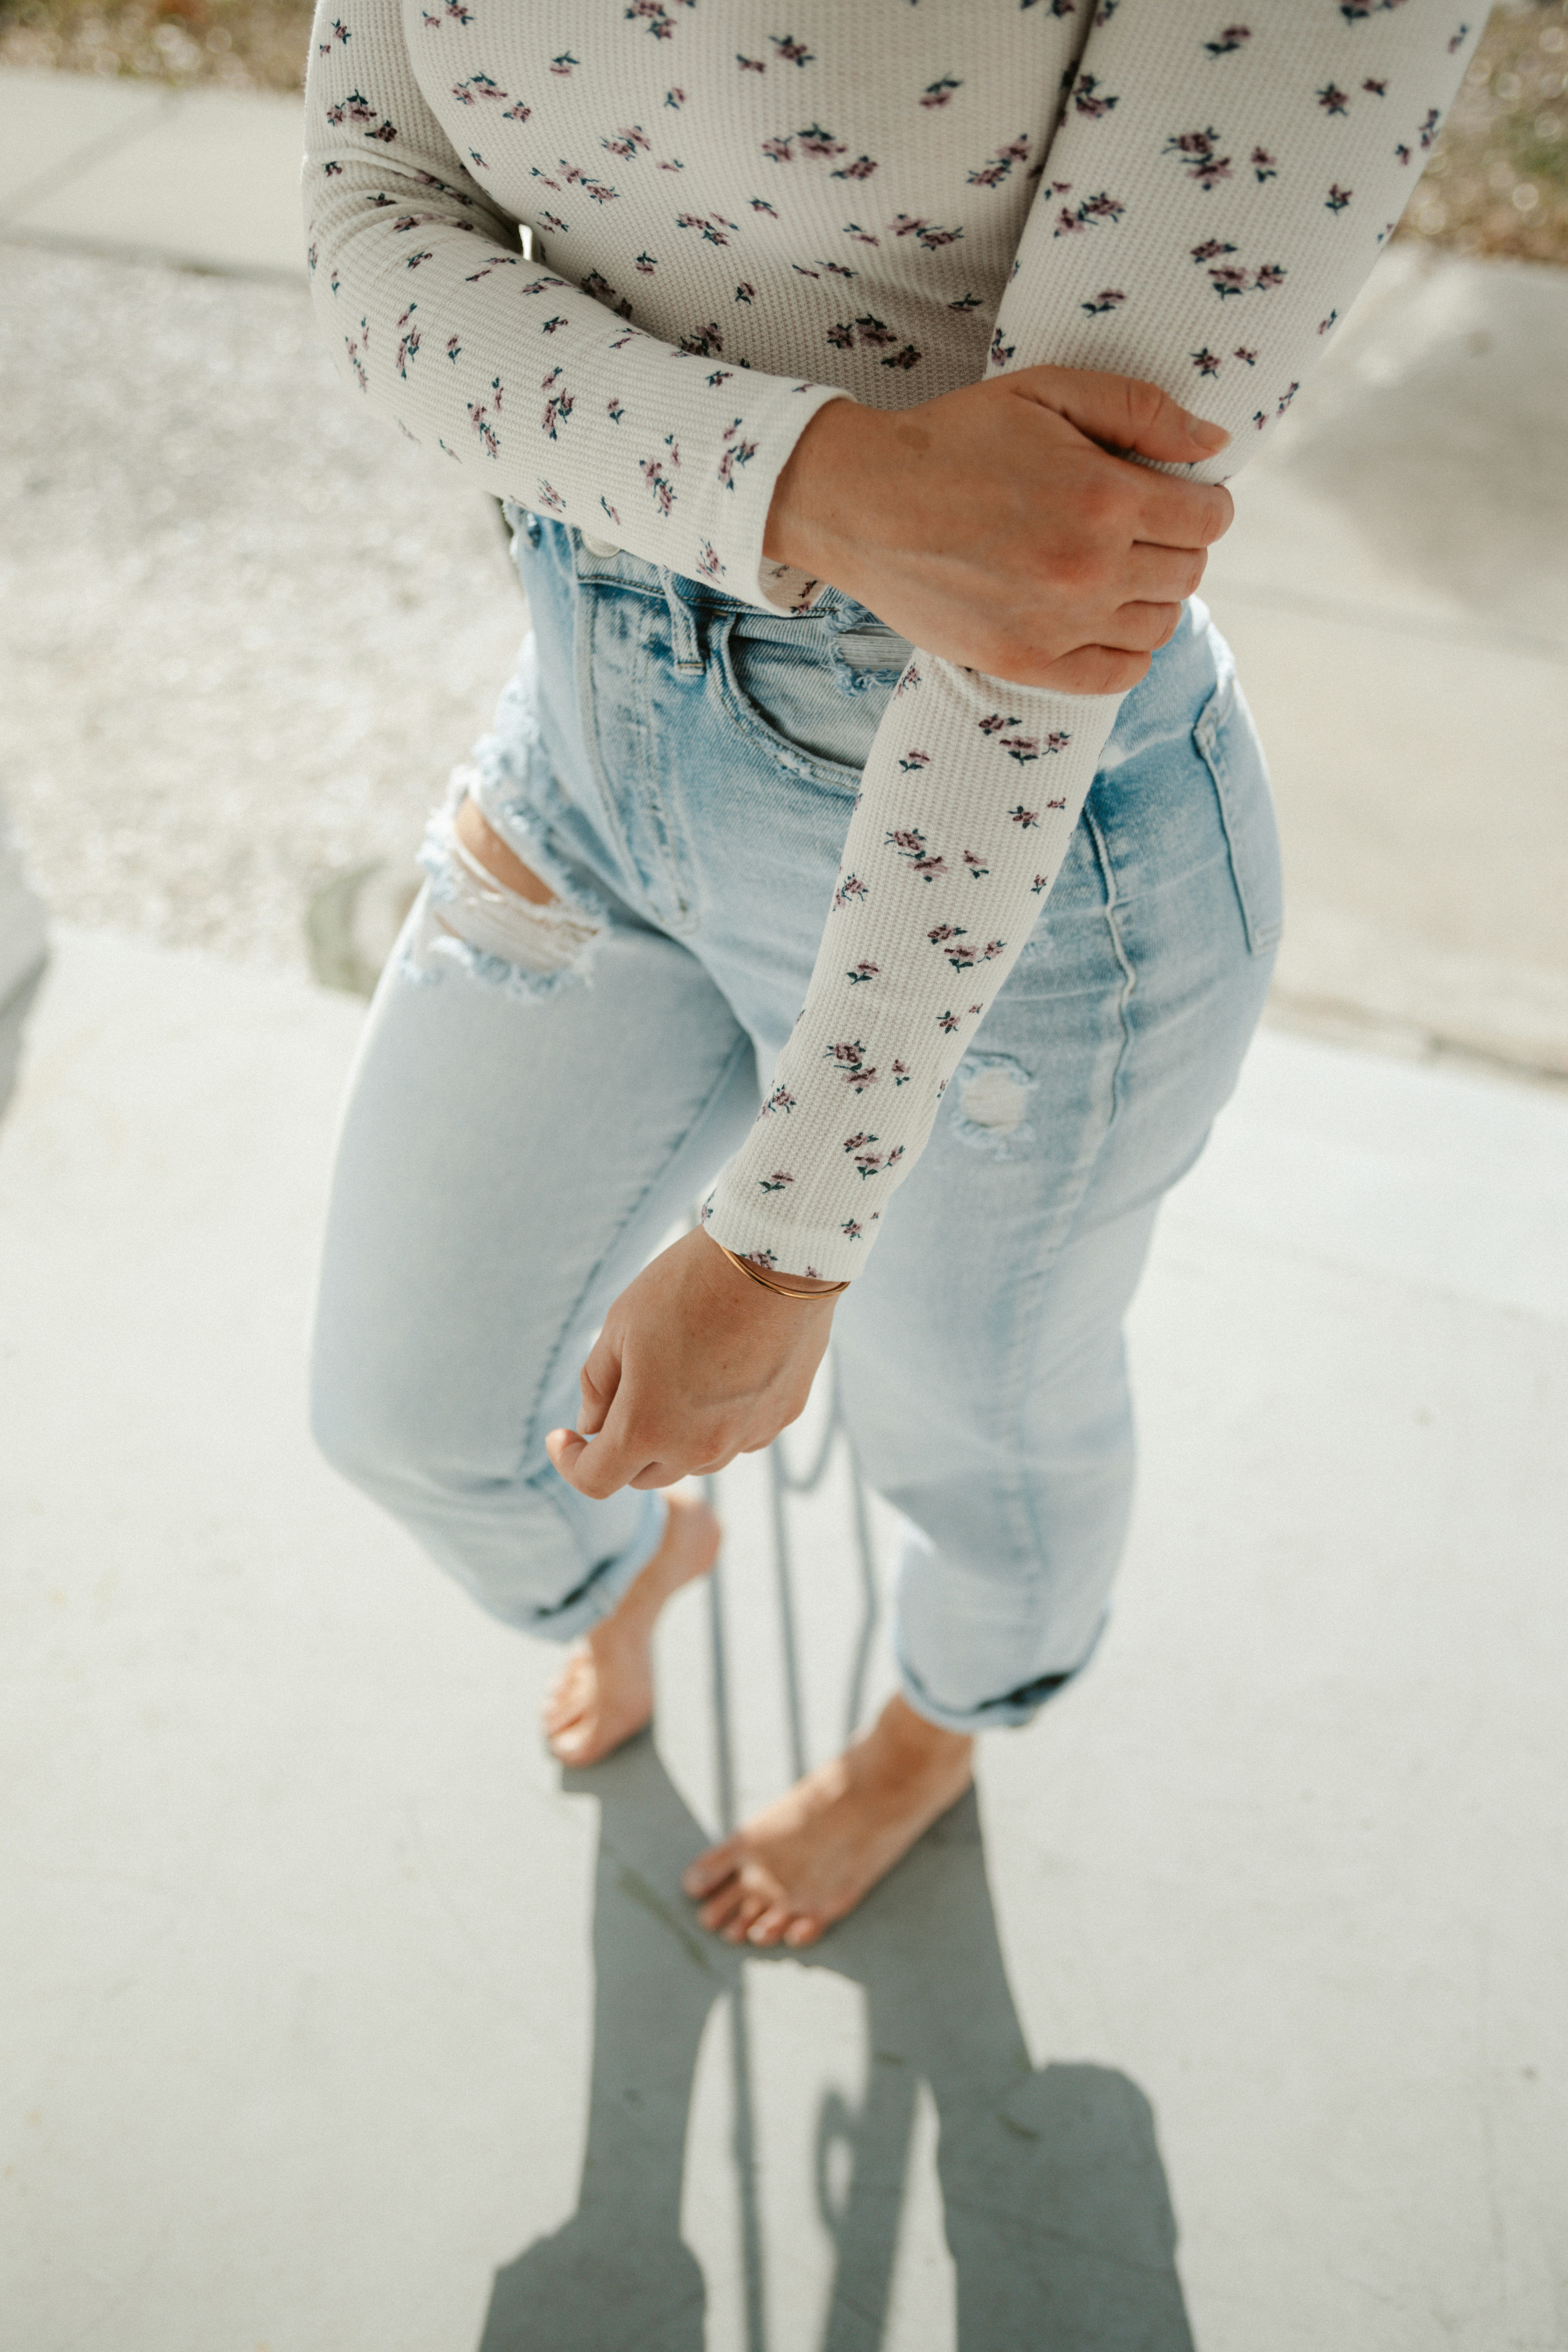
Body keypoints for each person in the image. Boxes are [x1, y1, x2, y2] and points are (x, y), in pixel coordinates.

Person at [304, 2, 1477, 1950]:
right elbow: (367, 238)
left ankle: (940, 1728)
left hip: (1018, 840)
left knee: (978, 1442)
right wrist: (823, 486)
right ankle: (628, 1569)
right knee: (408, 1415)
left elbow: (1061, 565)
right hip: (589, 715)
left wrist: (783, 1246)